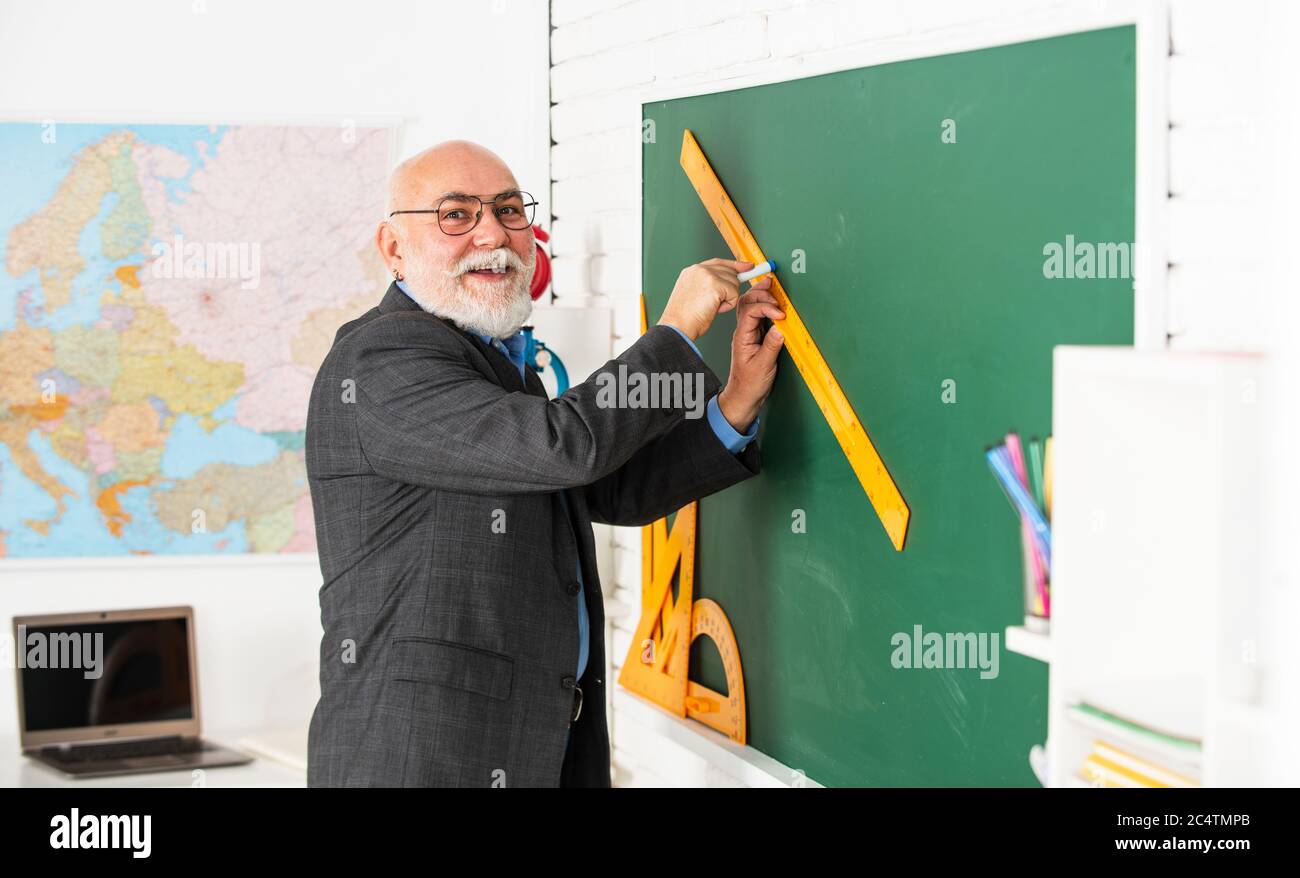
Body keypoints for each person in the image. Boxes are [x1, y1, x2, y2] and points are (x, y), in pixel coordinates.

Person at [305, 140, 784, 786]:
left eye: (507, 210)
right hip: (425, 763)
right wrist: (673, 332)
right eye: (456, 215)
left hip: (532, 748)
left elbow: (597, 486)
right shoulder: (382, 359)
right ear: (393, 248)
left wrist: (734, 405)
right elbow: (563, 444)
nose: (492, 235)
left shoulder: (489, 356)